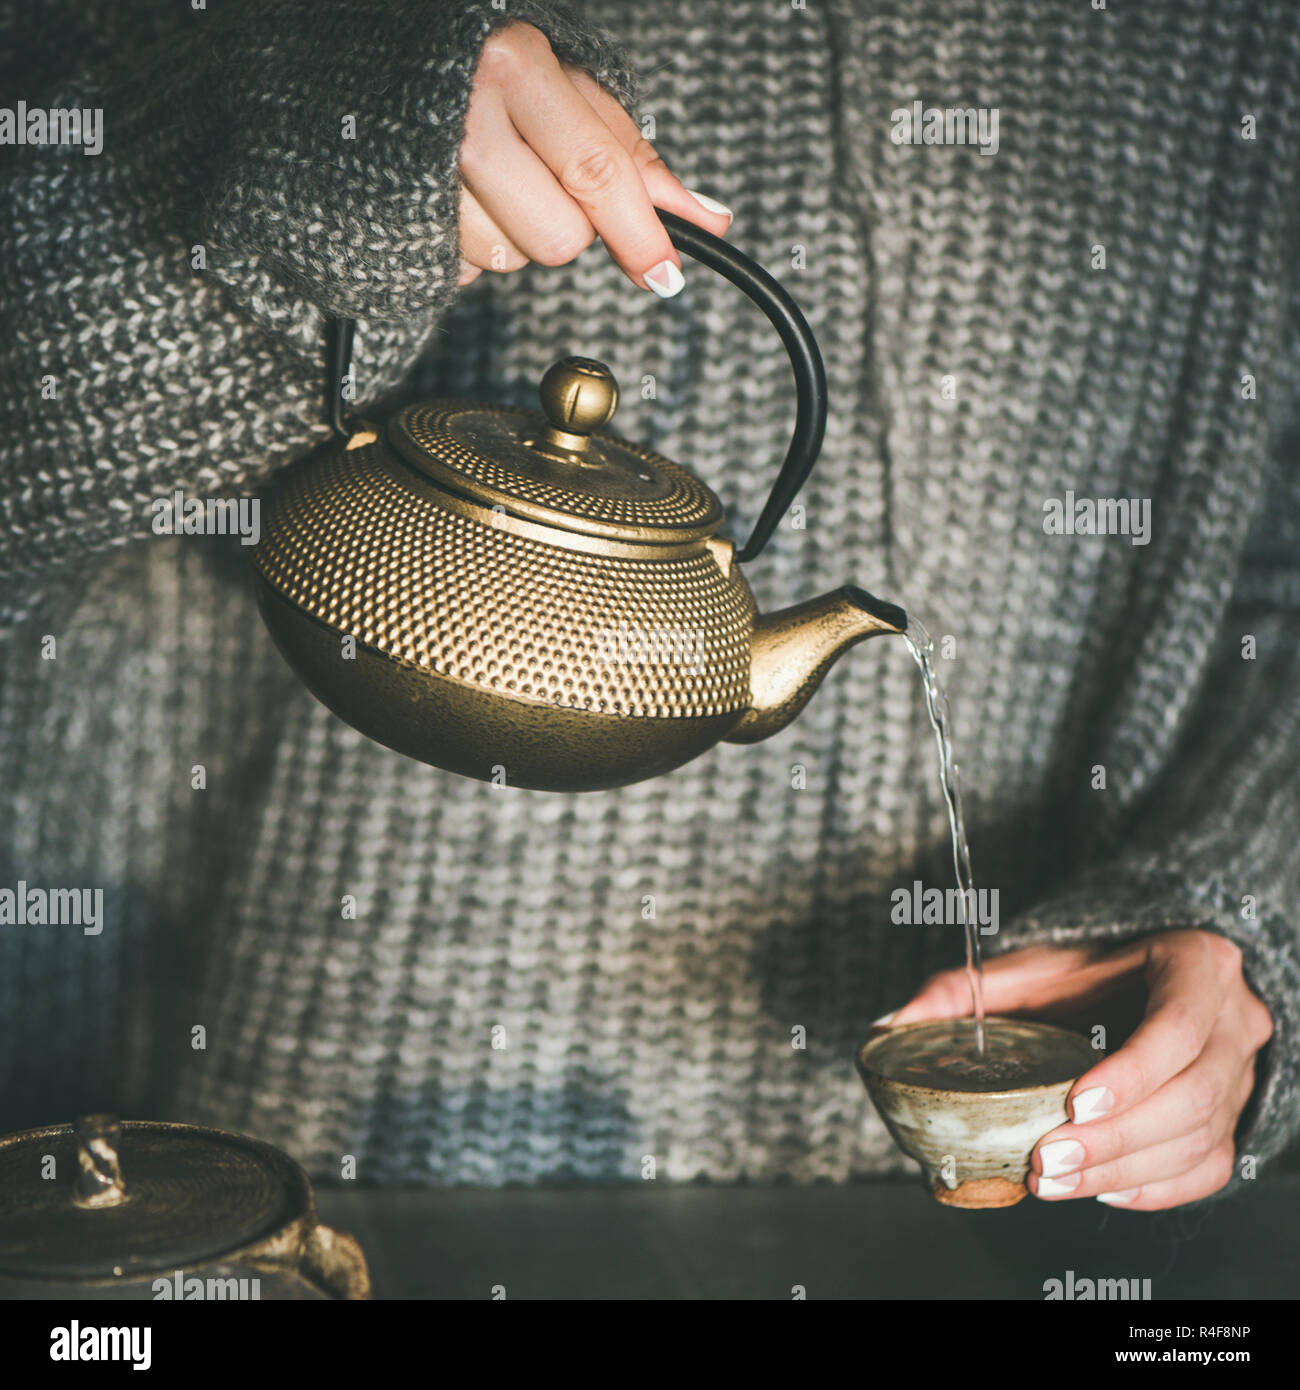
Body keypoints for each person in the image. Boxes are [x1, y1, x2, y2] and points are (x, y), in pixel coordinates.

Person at [1, 0, 1295, 1211]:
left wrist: (1244, 907)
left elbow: (1275, 554)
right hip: (323, 1148)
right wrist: (315, 133)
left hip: (1004, 1207)